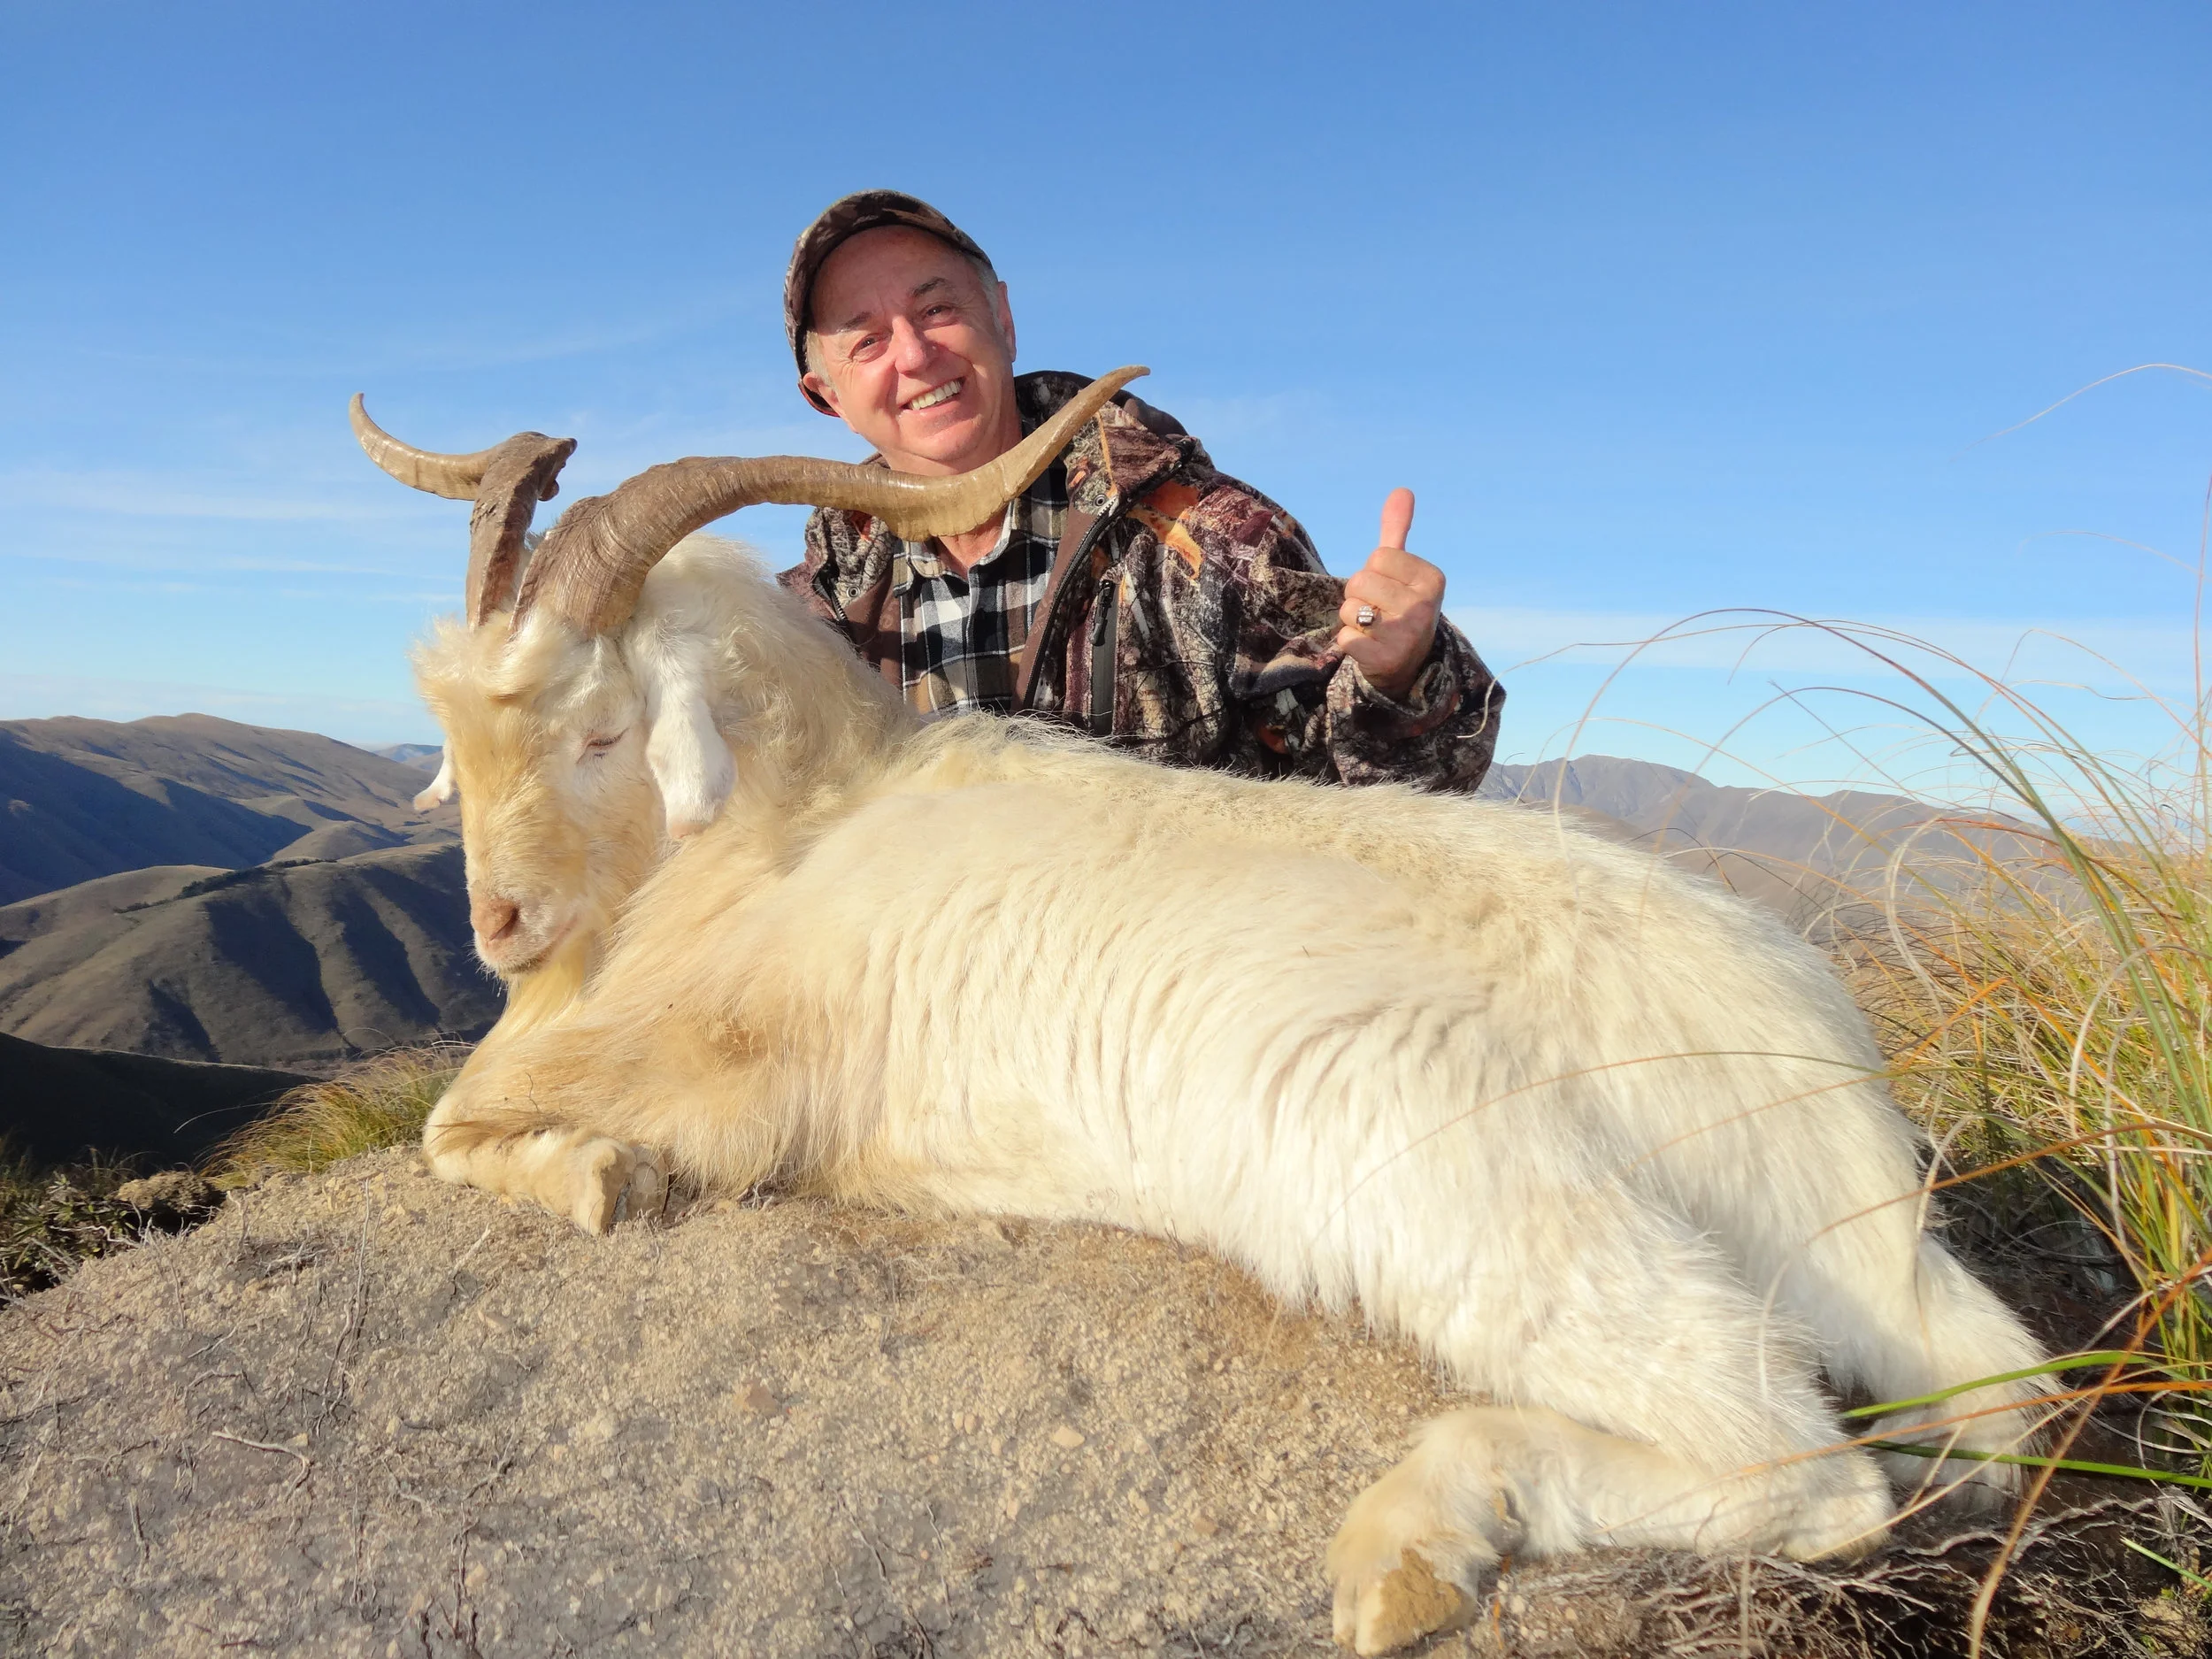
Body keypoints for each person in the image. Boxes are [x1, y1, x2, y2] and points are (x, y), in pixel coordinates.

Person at [778, 190, 1502, 790]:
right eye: (866, 341)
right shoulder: (808, 618)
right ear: (828, 396)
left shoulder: (1208, 537)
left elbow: (1392, 802)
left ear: (1003, 319)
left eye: (937, 309)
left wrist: (1400, 676)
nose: (914, 354)